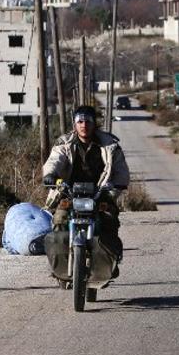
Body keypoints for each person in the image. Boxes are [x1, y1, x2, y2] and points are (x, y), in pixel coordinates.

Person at [42, 105, 130, 262]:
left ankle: (110, 261)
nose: (84, 125)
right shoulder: (64, 143)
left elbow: (121, 170)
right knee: (59, 219)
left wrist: (116, 186)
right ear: (74, 124)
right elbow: (54, 161)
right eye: (80, 121)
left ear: (94, 123)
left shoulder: (110, 145)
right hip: (69, 192)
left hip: (100, 192)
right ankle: (59, 264)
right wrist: (50, 175)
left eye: (88, 121)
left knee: (109, 219)